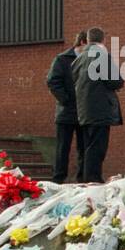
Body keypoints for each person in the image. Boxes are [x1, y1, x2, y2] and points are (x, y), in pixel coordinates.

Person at [72, 27, 123, 183]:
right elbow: (115, 81)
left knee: (87, 147)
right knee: (97, 148)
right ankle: (93, 180)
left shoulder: (78, 58)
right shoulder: (101, 55)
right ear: (103, 40)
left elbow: (74, 80)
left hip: (84, 110)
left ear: (87, 40)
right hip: (100, 109)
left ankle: (86, 178)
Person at [45, 30, 88, 182]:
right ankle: (58, 179)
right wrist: (66, 100)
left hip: (85, 112)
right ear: (83, 42)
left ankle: (82, 178)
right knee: (63, 148)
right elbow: (52, 81)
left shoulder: (91, 60)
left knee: (84, 148)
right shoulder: (62, 59)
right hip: (66, 111)